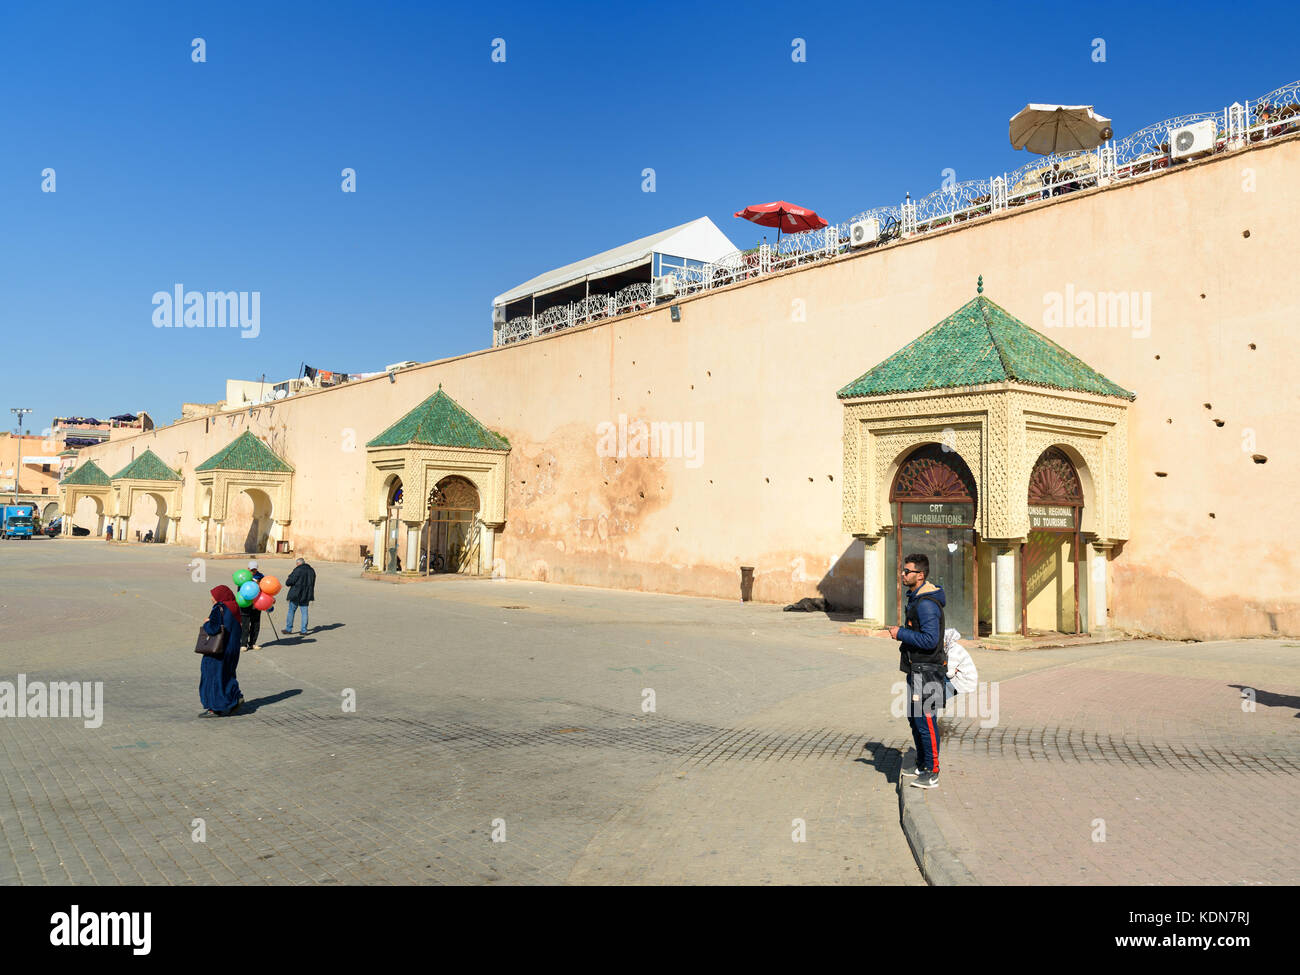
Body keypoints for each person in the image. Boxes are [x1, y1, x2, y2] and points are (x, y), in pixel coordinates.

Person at [873, 553, 947, 789]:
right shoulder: (917, 599)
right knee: (915, 719)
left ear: (920, 575)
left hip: (927, 670)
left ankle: (932, 771)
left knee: (925, 719)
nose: (903, 574)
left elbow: (930, 639)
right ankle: (922, 763)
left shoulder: (925, 604)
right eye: (903, 571)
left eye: (907, 571)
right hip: (917, 668)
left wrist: (900, 633)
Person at [199, 585, 244, 718]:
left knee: (213, 676)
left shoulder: (219, 608)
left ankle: (215, 708)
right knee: (228, 675)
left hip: (219, 650)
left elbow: (213, 629)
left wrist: (207, 622)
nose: (211, 598)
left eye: (213, 595)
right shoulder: (235, 607)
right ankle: (235, 698)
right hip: (232, 649)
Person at [285, 557, 316, 635]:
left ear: (298, 563)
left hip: (296, 594)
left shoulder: (297, 570)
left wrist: (288, 579)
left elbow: (289, 582)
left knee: (291, 611)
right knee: (304, 612)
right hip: (306, 594)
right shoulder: (312, 571)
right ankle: (304, 630)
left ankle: (289, 629)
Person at [240, 559, 264, 651]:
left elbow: (266, 589)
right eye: (251, 569)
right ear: (248, 568)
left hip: (257, 604)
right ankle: (243, 644)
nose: (253, 571)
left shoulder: (261, 577)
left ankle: (253, 643)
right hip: (246, 604)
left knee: (256, 624)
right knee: (245, 625)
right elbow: (240, 590)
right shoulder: (243, 577)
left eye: (255, 570)